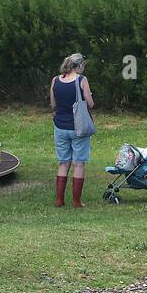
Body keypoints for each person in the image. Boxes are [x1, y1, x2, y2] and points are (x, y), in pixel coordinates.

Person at [51, 53, 94, 208]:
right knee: (78, 164)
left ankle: (59, 200)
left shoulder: (55, 80)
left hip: (60, 127)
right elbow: (90, 103)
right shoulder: (82, 80)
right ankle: (76, 201)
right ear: (80, 65)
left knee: (63, 163)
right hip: (78, 127)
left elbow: (53, 104)